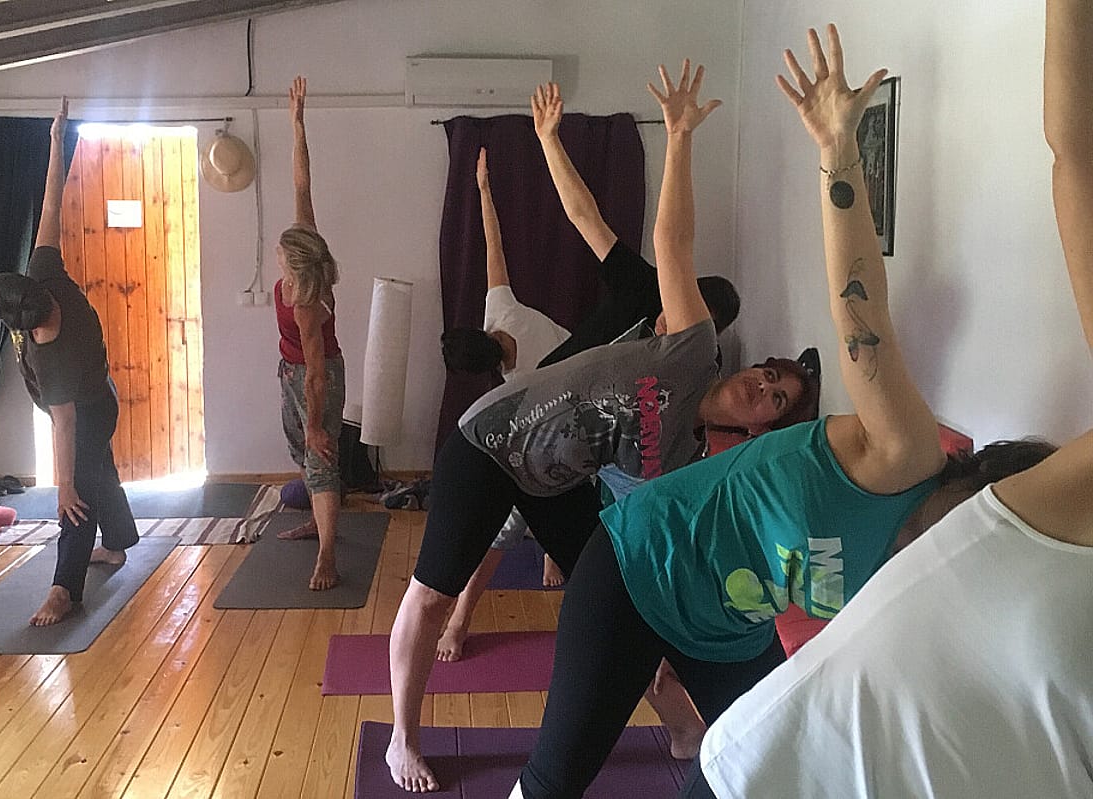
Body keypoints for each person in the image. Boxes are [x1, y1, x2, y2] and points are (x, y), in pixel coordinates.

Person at [508, 30, 1055, 799]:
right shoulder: (902, 451)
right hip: (638, 568)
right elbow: (861, 320)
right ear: (980, 485)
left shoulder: (929, 583)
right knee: (557, 778)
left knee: (762, 777)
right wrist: (839, 151)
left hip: (728, 628)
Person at [686, 11, 1093, 798]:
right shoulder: (909, 459)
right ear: (970, 498)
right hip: (767, 768)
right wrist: (839, 152)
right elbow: (1075, 157)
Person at [386, 60, 813, 793]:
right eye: (769, 374)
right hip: (492, 442)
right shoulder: (691, 348)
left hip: (556, 480)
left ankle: (680, 719)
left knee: (631, 593)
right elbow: (667, 241)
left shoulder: (686, 459)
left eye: (775, 398)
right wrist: (677, 138)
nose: (760, 387)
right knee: (430, 593)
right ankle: (402, 737)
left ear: (763, 427)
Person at [0, 98, 139, 626]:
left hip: (89, 410)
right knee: (99, 476)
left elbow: (65, 424)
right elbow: (51, 209)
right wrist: (56, 142)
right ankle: (119, 543)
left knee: (77, 501)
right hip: (101, 397)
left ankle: (63, 589)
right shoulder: (46, 271)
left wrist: (62, 484)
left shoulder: (58, 358)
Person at [436, 147, 572, 664]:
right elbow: (495, 244)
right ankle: (550, 554)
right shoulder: (501, 308)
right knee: (546, 489)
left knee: (510, 522)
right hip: (575, 390)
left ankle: (459, 622)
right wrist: (484, 190)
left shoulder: (519, 383)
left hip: (573, 403)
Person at [530, 81, 739, 369]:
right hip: (541, 389)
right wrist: (549, 140)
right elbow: (585, 218)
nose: (676, 320)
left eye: (695, 321)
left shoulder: (699, 361)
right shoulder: (642, 286)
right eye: (682, 304)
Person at [269, 76, 347, 591]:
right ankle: (318, 523)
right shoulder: (308, 249)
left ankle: (327, 556)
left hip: (314, 378)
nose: (277, 257)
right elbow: (303, 184)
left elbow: (317, 373)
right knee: (299, 449)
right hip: (291, 371)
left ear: (293, 268)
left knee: (318, 456)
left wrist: (317, 422)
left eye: (280, 257)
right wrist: (297, 124)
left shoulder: (305, 304)